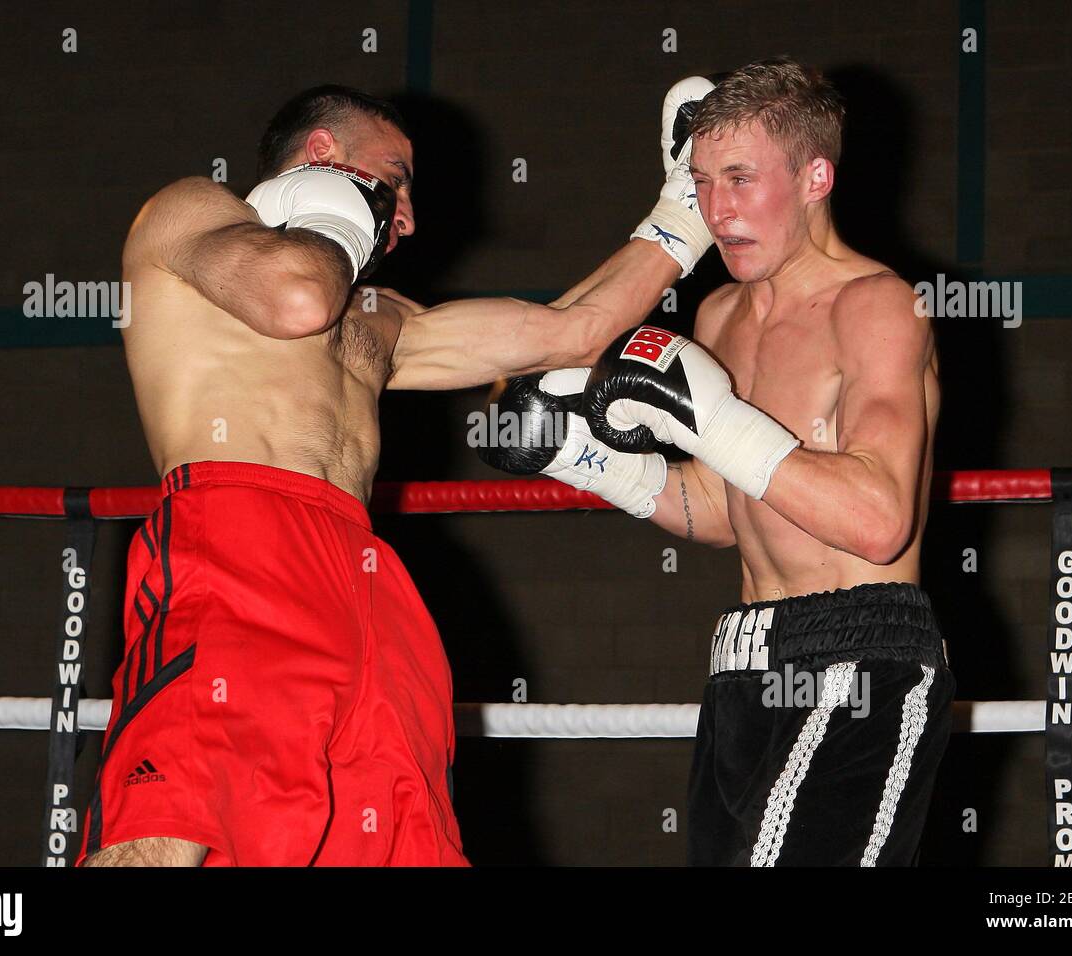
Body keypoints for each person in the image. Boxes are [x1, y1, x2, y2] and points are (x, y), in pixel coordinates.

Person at [77, 81, 710, 866]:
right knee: (172, 825)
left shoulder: (382, 314)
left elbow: (573, 333)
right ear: (322, 156)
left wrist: (690, 207)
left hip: (367, 582)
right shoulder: (186, 216)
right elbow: (296, 297)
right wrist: (344, 208)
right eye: (397, 176)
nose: (407, 215)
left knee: (401, 840)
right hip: (238, 545)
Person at [488, 57, 953, 866]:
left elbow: (879, 521)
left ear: (815, 176)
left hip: (858, 659)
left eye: (741, 179)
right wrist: (590, 462)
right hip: (742, 658)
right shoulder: (719, 313)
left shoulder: (877, 306)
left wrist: (712, 417)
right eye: (700, 182)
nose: (717, 209)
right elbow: (717, 507)